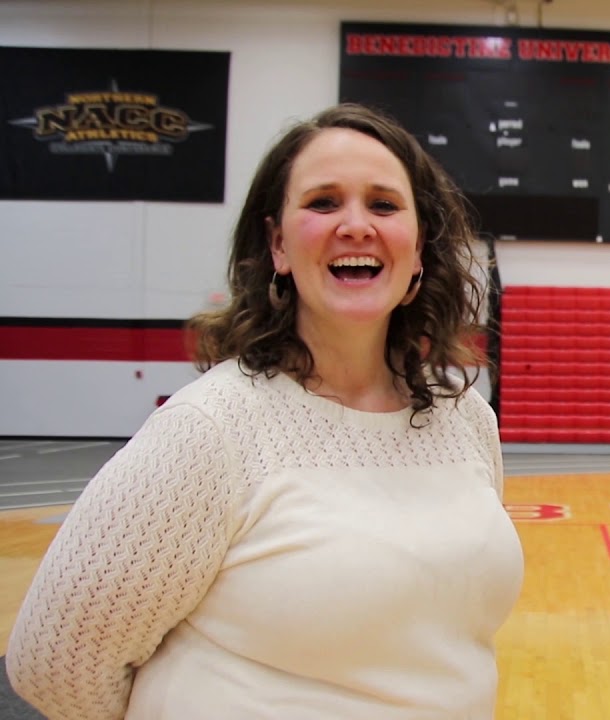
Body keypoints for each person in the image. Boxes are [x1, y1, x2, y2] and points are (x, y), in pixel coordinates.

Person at [6, 103, 524, 719]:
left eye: (384, 205)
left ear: (418, 253)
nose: (356, 225)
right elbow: (55, 664)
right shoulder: (211, 431)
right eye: (323, 202)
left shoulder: (467, 423)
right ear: (278, 244)